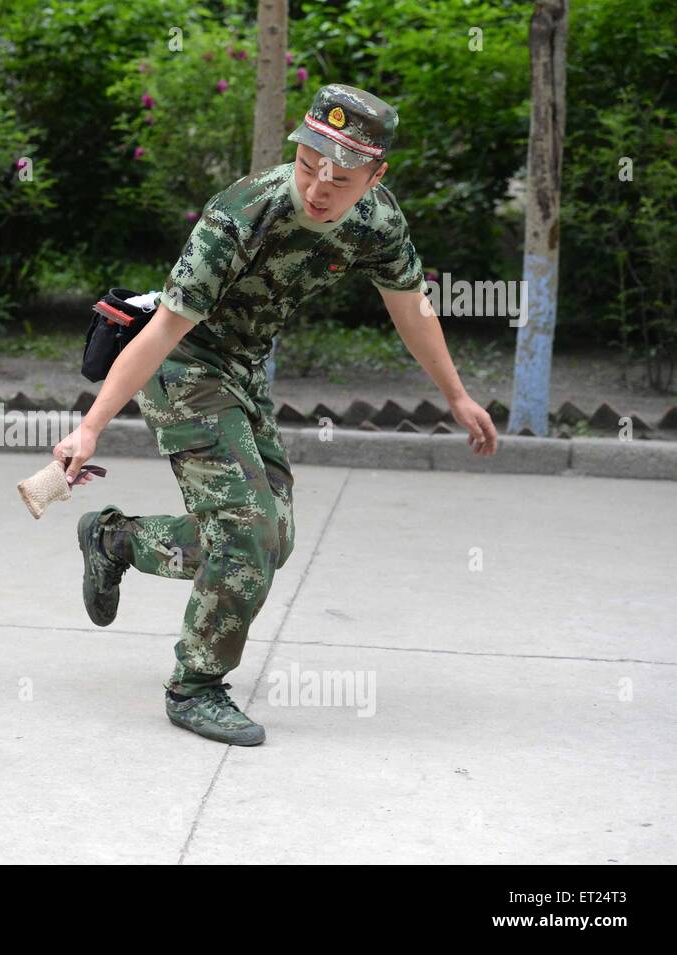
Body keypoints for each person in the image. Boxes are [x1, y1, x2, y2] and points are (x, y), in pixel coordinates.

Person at [54, 84, 499, 747]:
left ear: (375, 177)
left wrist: (458, 395)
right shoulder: (241, 213)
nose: (318, 187)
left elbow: (412, 307)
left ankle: (116, 541)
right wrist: (91, 425)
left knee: (268, 541)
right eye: (307, 164)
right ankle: (195, 685)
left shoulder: (377, 221)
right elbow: (162, 331)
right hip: (184, 363)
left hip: (241, 370)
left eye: (341, 177)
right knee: (246, 530)